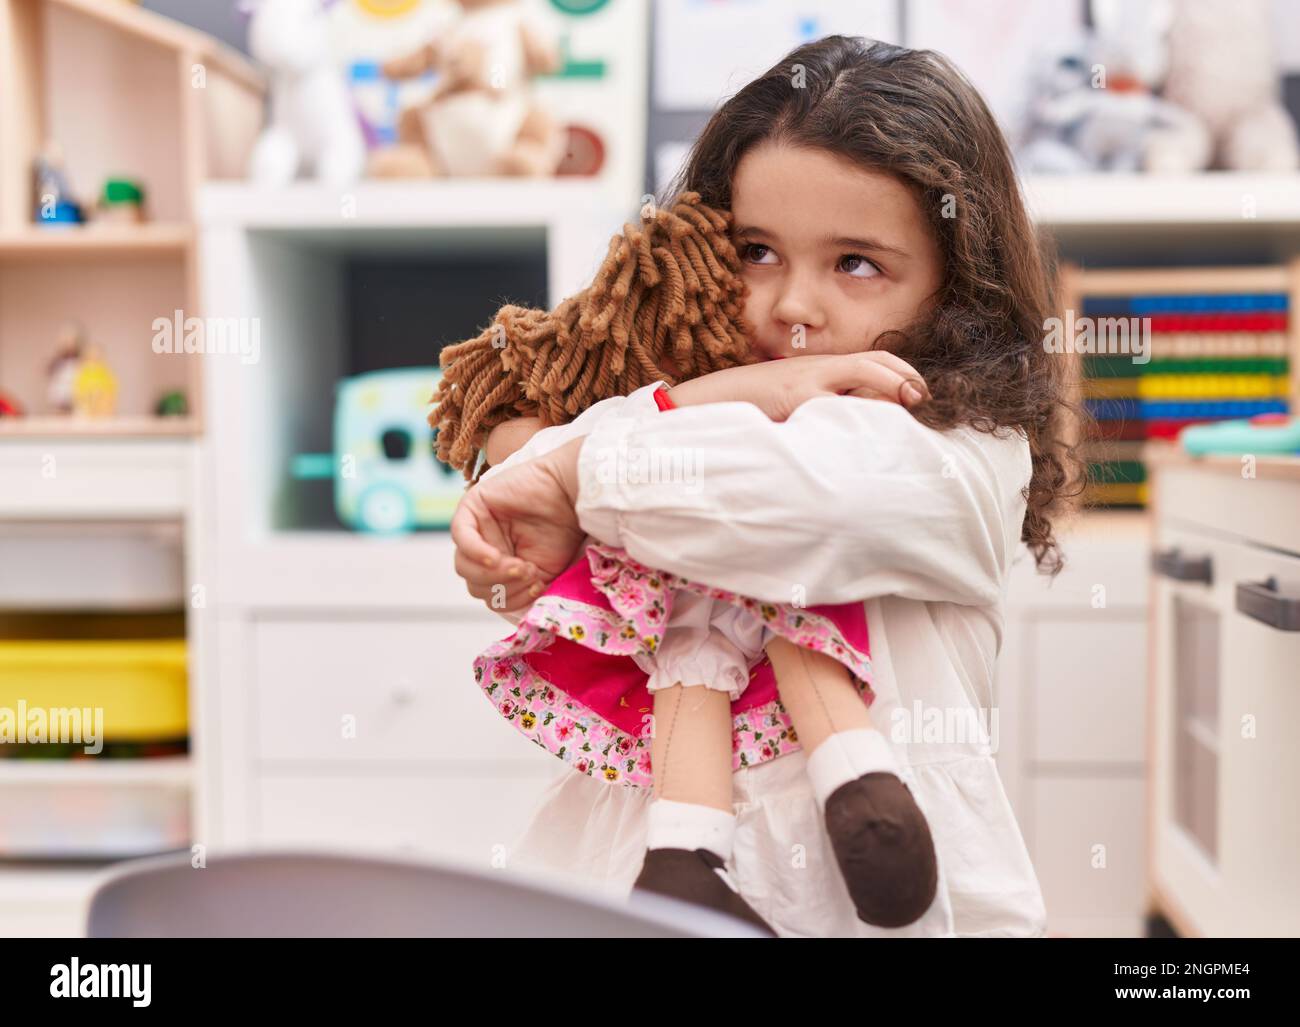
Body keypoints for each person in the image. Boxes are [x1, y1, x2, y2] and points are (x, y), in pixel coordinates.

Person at [451, 35, 1083, 937]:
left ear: (957, 283)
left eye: (856, 263)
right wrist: (561, 460)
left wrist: (567, 466)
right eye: (755, 251)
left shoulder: (964, 448)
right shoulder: (651, 411)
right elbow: (522, 460)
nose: (792, 306)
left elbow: (812, 499)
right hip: (637, 885)